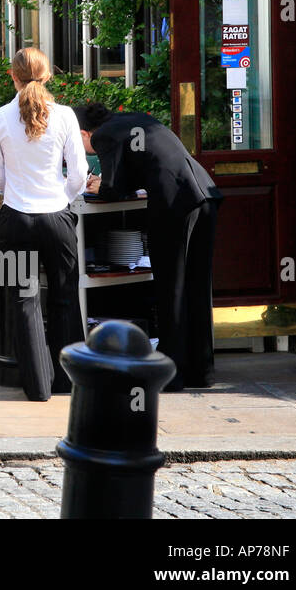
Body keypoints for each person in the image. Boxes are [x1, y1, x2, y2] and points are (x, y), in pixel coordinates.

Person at [76, 102, 222, 391]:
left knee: (172, 287)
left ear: (83, 134)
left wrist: (98, 186)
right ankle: (201, 370)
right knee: (197, 286)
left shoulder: (103, 136)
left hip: (175, 204)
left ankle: (172, 374)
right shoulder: (131, 119)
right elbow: (143, 165)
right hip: (204, 194)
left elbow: (113, 189)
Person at [0, 47, 88, 402]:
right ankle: (66, 382)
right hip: (56, 216)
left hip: (16, 216)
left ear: (12, 77)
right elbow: (78, 174)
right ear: (48, 77)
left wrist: (13, 185)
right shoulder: (65, 116)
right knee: (64, 298)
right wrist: (63, 194)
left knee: (24, 301)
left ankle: (37, 386)